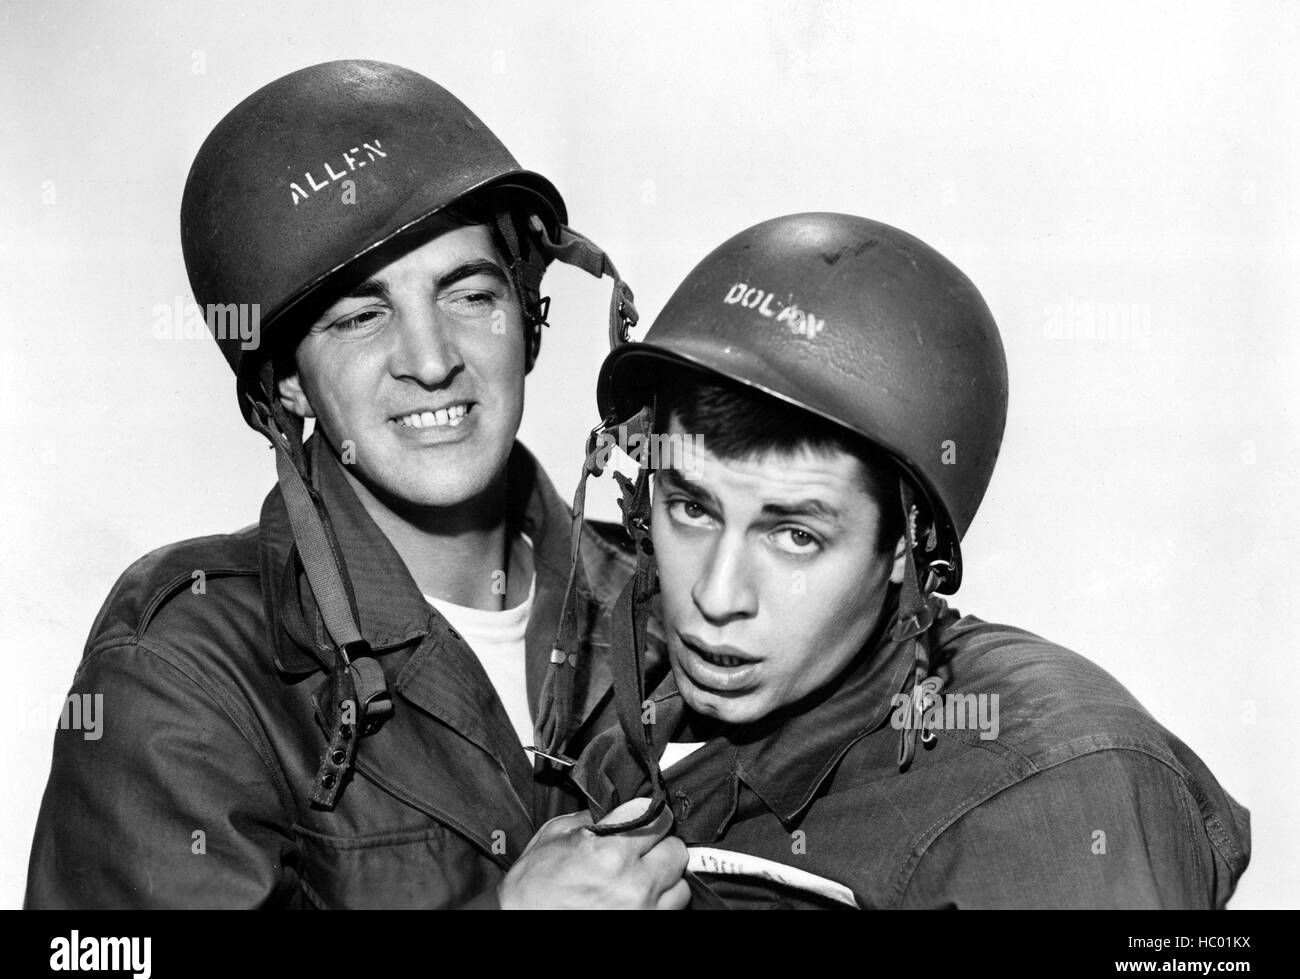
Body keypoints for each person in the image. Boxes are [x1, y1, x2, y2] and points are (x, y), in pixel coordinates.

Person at [25, 59, 687, 910]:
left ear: (527, 319)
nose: (431, 360)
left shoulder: (672, 611)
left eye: (470, 293)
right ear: (290, 384)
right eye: (360, 317)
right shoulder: (188, 665)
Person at [567, 212, 1251, 908]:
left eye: (796, 536)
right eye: (693, 509)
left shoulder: (1059, 787)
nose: (716, 596)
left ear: (905, 546)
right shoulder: (631, 728)